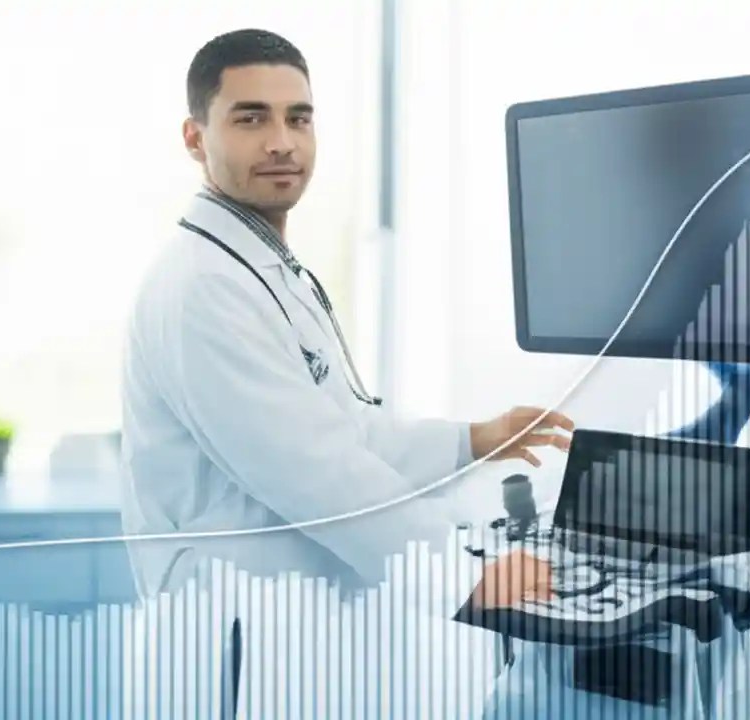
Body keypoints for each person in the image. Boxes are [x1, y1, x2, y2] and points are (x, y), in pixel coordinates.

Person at [119, 28, 573, 716]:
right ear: (194, 137)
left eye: (298, 117)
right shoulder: (203, 288)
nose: (282, 141)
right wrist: (465, 580)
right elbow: (314, 470)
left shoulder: (263, 269)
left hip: (290, 634)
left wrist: (473, 439)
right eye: (251, 118)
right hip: (237, 648)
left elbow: (342, 427)